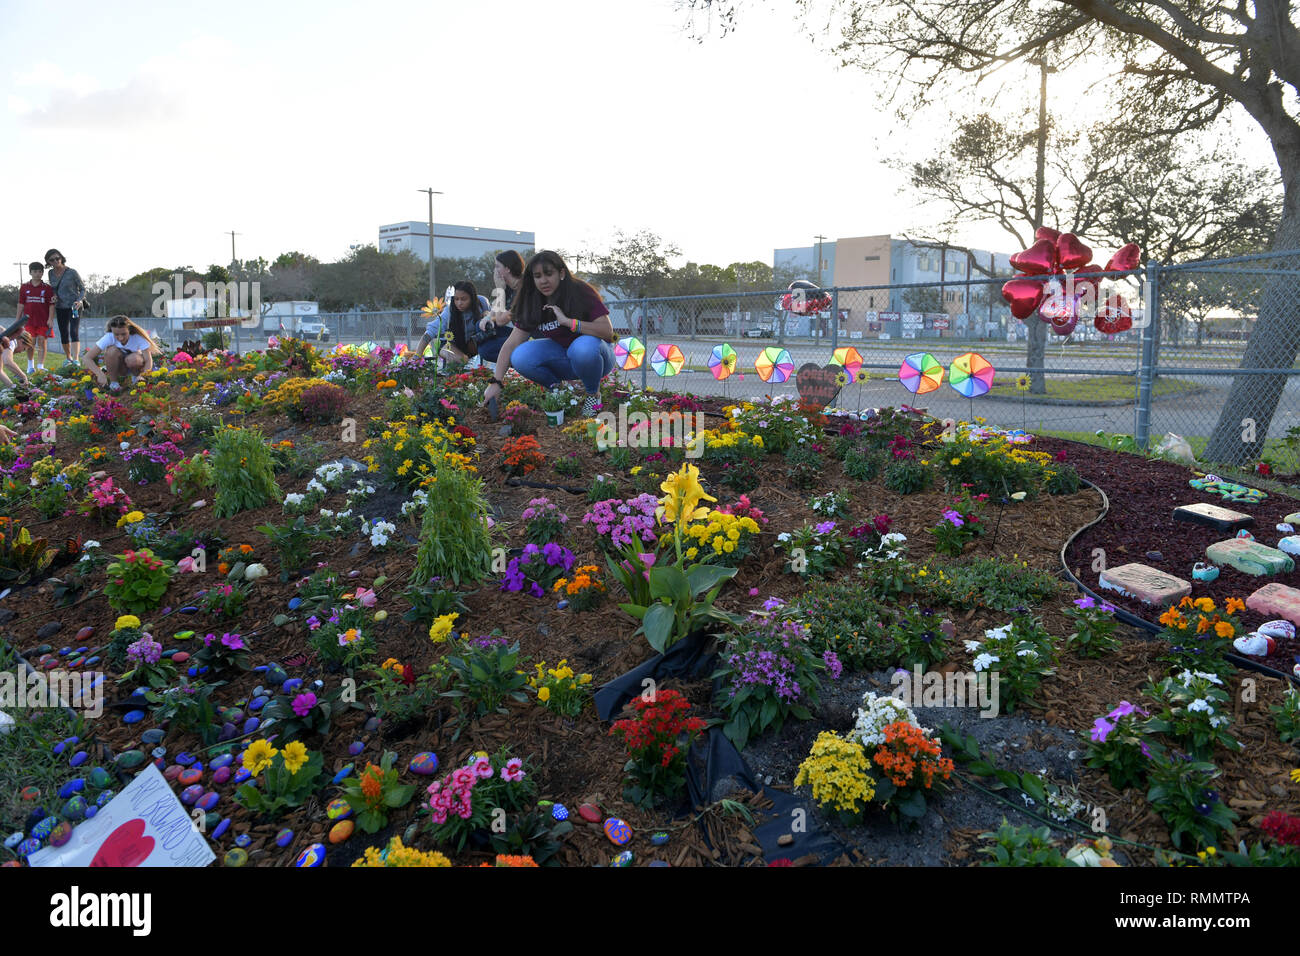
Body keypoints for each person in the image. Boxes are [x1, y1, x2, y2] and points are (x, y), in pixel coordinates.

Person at [482, 251, 615, 417]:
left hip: (597, 356)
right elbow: (512, 342)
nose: (543, 280)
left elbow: (607, 332)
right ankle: (559, 392)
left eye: (548, 274)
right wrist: (496, 382)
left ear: (561, 273)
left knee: (582, 347)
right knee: (520, 356)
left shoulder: (580, 291)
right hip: (563, 355)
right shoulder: (530, 300)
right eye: (537, 276)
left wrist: (569, 322)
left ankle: (592, 394)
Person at [416, 281, 492, 367]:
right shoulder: (449, 311)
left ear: (472, 298)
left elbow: (491, 317)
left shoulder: (482, 302)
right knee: (463, 360)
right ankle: (449, 364)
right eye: (456, 299)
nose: (459, 303)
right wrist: (417, 356)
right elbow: (428, 334)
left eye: (464, 299)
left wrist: (487, 316)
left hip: (471, 344)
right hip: (449, 344)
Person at [82, 316, 161, 389]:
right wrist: (100, 374)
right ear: (112, 331)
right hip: (120, 368)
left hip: (135, 367)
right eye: (116, 334)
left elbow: (148, 360)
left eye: (124, 334)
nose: (120, 338)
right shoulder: (109, 337)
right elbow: (87, 358)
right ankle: (114, 383)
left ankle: (136, 379)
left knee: (133, 359)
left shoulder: (137, 337)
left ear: (129, 330)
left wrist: (144, 375)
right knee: (111, 351)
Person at [474, 250, 524, 367]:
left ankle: (520, 364)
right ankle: (506, 358)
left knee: (486, 350)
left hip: (525, 335)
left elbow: (501, 321)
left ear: (507, 269)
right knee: (480, 325)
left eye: (497, 266)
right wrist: (488, 318)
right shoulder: (508, 286)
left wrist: (500, 290)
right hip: (511, 330)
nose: (494, 271)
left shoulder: (523, 288)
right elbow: (496, 310)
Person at [45, 248, 86, 363]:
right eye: (52, 260)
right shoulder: (51, 273)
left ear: (61, 258)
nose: (55, 261)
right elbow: (53, 289)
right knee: (63, 332)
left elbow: (82, 289)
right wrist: (54, 296)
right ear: (49, 262)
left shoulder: (72, 272)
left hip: (74, 307)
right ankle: (68, 358)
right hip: (60, 307)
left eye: (57, 258)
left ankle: (76, 359)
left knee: (74, 331)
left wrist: (79, 300)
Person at [16, 261, 55, 372]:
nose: (37, 274)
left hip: (43, 321)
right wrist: (17, 320)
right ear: (30, 273)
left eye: (39, 272)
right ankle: (30, 366)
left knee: (42, 341)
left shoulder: (47, 288)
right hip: (29, 321)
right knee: (30, 342)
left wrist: (50, 319)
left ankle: (40, 366)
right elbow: (21, 304)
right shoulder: (24, 287)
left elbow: (51, 305)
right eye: (35, 271)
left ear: (42, 273)